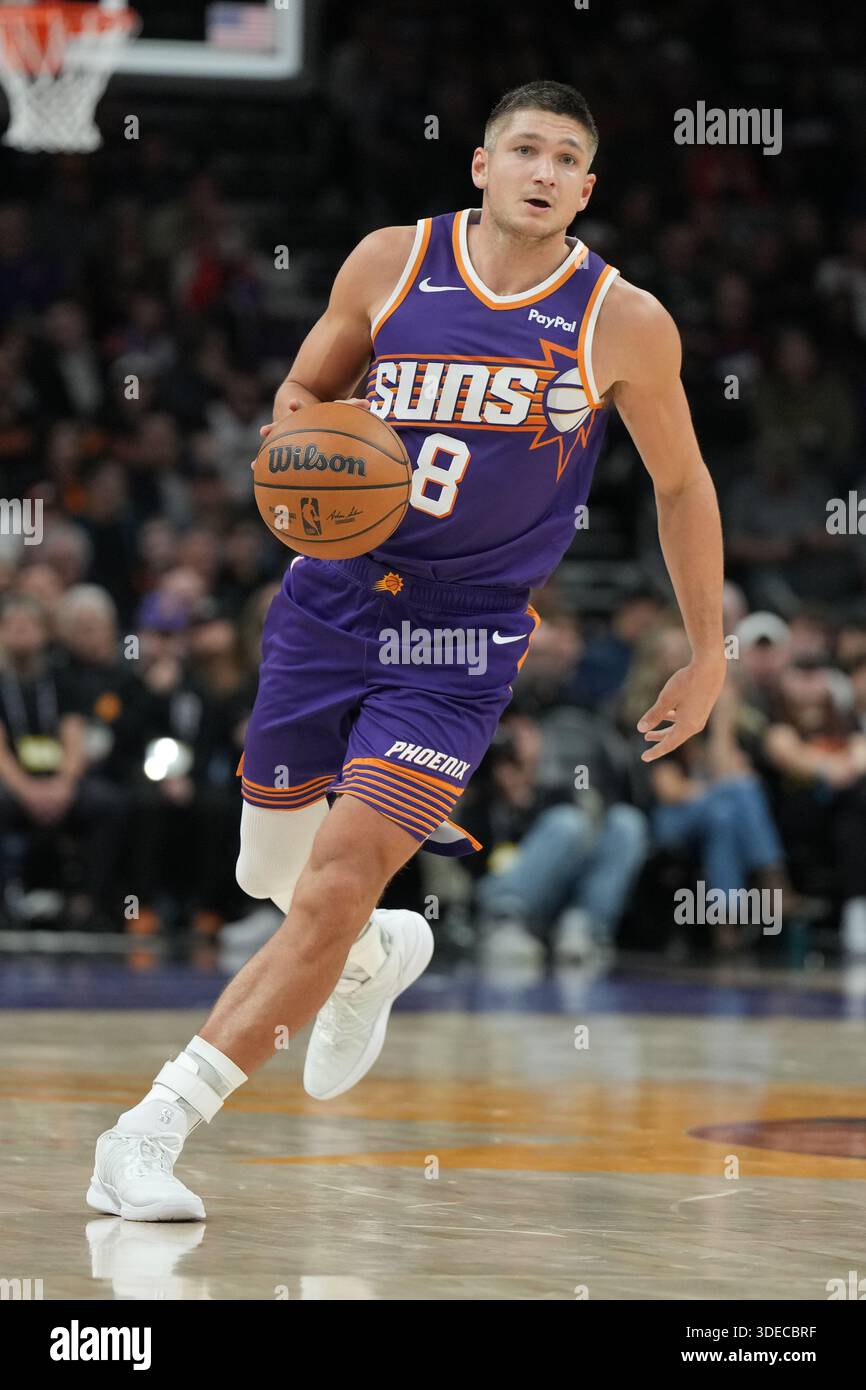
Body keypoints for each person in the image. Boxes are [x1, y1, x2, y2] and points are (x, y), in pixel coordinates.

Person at [87, 80, 726, 1221]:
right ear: (479, 165)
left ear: (586, 189)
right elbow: (300, 390)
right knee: (269, 876)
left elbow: (679, 484)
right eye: (521, 147)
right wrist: (300, 445)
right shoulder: (388, 262)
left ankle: (150, 1129)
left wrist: (707, 648)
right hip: (330, 598)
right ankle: (376, 957)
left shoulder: (620, 319)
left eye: (564, 156)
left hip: (464, 633)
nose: (540, 168)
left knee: (332, 884)